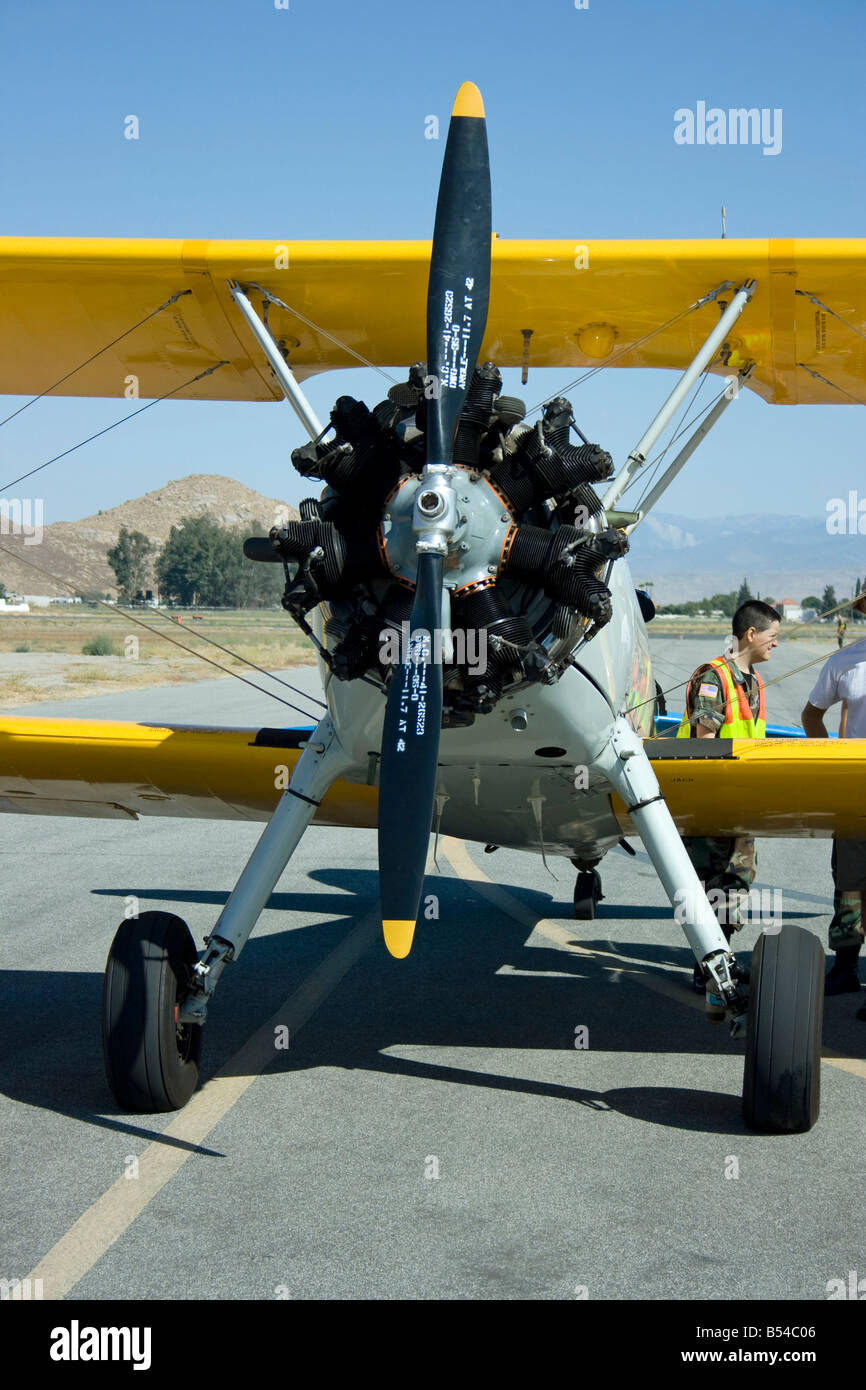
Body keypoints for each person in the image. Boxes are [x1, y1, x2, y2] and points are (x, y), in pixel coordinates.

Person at [676, 600, 781, 1015]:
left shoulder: (751, 680)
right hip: (711, 802)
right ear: (751, 635)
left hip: (738, 802)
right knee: (714, 884)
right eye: (773, 637)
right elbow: (705, 741)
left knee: (734, 882)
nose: (777, 644)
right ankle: (707, 966)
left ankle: (718, 959)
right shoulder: (713, 678)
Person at [802, 593, 866, 1008]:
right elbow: (812, 715)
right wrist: (830, 761)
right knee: (849, 881)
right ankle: (844, 968)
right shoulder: (845, 661)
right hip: (856, 787)